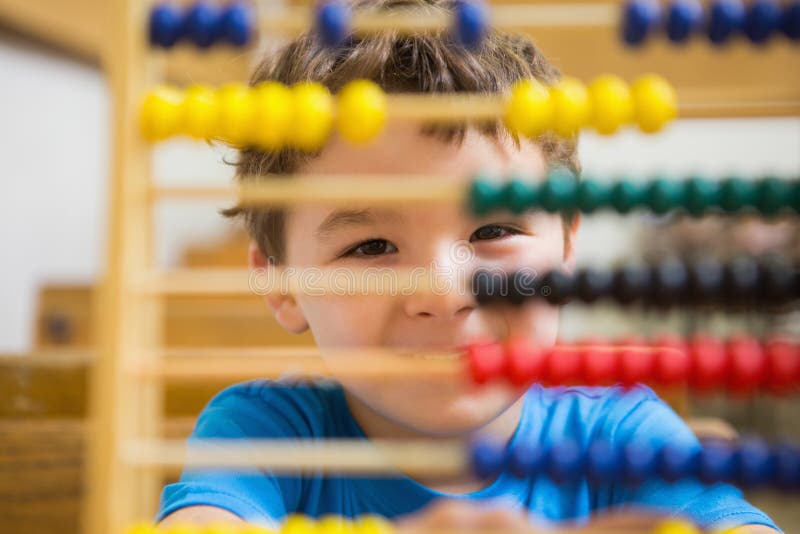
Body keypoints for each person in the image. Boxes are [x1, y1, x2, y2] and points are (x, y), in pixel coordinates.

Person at [157, 0, 779, 531]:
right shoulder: (269, 434)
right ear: (283, 285)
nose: (446, 293)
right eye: (371, 247)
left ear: (566, 248)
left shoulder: (622, 430)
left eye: (494, 230)